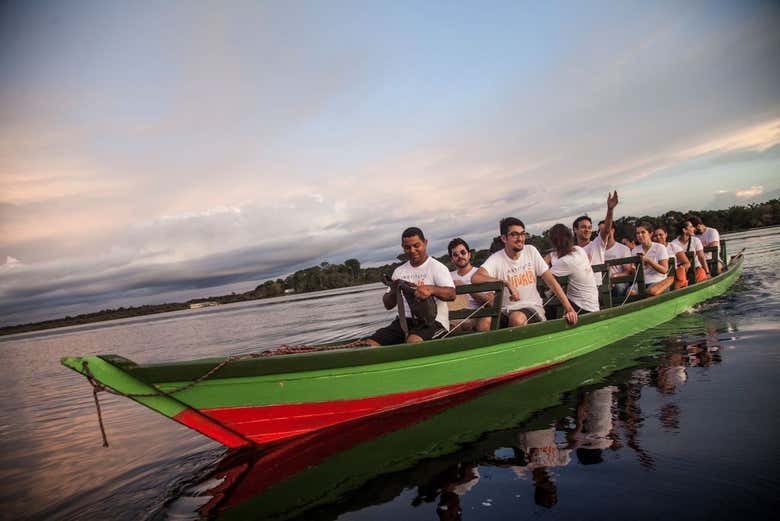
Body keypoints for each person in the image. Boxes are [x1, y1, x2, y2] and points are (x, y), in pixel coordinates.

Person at [471, 217, 578, 328]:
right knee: (484, 322)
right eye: (514, 234)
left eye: (522, 234)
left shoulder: (531, 251)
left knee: (517, 318)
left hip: (531, 308)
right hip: (505, 311)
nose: (520, 238)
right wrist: (505, 282)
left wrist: (569, 309)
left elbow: (551, 281)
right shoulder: (497, 258)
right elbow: (476, 277)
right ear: (504, 238)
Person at [366, 227, 455, 346]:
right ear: (403, 248)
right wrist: (394, 289)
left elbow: (451, 294)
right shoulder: (399, 271)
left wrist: (431, 289)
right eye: (407, 247)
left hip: (434, 323)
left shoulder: (437, 267)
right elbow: (388, 305)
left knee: (413, 342)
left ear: (425, 243)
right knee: (370, 343)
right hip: (404, 323)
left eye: (416, 245)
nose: (412, 250)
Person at [545, 224, 599, 314]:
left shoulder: (565, 261)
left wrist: (547, 259)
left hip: (582, 307)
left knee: (548, 305)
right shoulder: (579, 250)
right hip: (593, 304)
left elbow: (544, 275)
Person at [572, 192, 619, 286]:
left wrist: (610, 209)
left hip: (599, 287)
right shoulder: (572, 251)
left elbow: (606, 230)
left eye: (589, 227)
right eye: (583, 227)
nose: (587, 230)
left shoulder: (597, 244)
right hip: (580, 289)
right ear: (575, 230)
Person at [447, 238, 493, 332]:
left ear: (469, 254)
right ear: (452, 259)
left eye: (463, 252)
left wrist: (465, 288)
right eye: (455, 255)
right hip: (455, 316)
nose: (460, 256)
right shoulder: (448, 276)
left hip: (477, 314)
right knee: (450, 327)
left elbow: (490, 302)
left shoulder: (480, 273)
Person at [630, 221, 671, 295]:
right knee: (630, 293)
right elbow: (634, 271)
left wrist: (648, 260)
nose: (640, 235)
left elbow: (664, 270)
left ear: (650, 234)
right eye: (637, 233)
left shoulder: (660, 247)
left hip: (658, 280)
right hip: (641, 282)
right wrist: (633, 269)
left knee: (650, 292)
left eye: (643, 232)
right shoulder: (635, 250)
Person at [600, 219, 632, 298]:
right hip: (601, 282)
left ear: (613, 230)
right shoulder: (597, 250)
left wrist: (615, 276)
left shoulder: (623, 249)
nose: (603, 233)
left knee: (618, 288)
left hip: (619, 282)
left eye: (606, 230)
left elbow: (628, 271)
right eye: (600, 231)